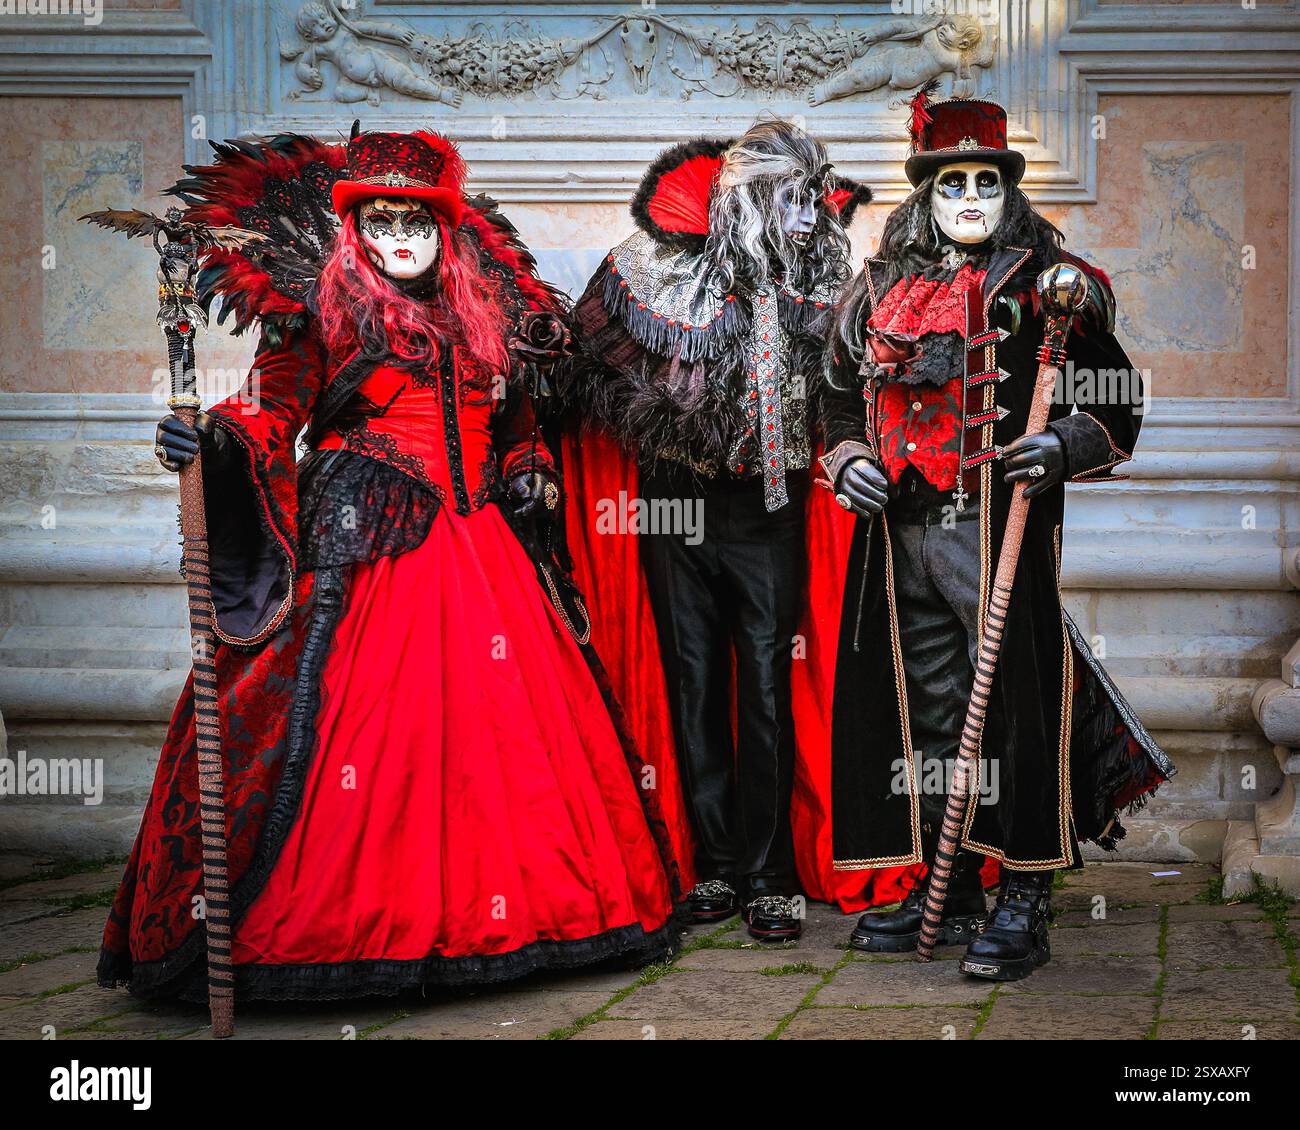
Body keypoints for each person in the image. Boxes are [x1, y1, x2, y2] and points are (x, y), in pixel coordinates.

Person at [98, 125, 680, 1003]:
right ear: (356, 233)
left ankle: (511, 917)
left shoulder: (487, 324)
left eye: (417, 224)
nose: (401, 241)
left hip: (483, 547)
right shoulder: (320, 318)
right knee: (358, 736)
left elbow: (515, 431)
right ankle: (339, 929)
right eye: (382, 224)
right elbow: (274, 405)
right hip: (360, 537)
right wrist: (213, 434)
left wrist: (527, 476)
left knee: (499, 739)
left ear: (445, 232)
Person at [819, 90, 1174, 981]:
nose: (970, 197)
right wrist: (847, 455)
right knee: (930, 711)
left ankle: (1025, 891)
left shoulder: (1049, 289)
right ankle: (953, 882)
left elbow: (1118, 400)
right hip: (900, 538)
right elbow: (827, 397)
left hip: (999, 528)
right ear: (925, 195)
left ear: (1009, 191)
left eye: (986, 181)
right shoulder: (874, 291)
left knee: (1021, 707)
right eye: (951, 183)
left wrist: (1060, 444)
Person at [564, 120, 870, 941]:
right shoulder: (653, 266)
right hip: (675, 503)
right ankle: (716, 866)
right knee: (693, 680)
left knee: (766, 685)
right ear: (750, 199)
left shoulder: (830, 281)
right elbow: (577, 362)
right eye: (792, 199)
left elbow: (858, 388)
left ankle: (770, 874)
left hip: (769, 508)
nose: (810, 217)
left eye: (815, 198)